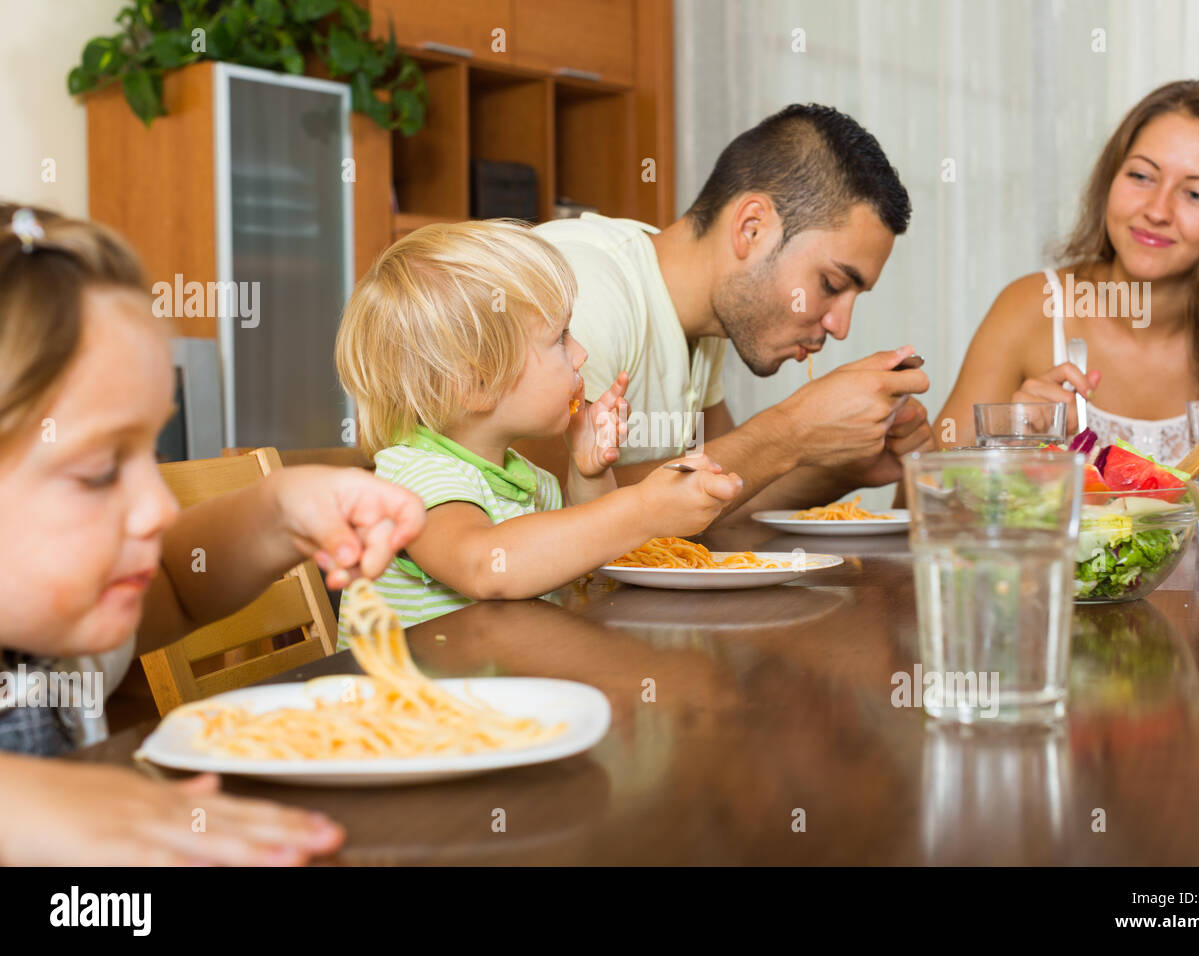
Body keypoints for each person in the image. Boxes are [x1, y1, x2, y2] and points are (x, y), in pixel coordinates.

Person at [0, 205, 427, 864]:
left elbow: (177, 583)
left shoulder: (51, 640)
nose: (158, 506)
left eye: (152, 453)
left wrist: (278, 510)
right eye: (99, 470)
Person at [512, 103, 933, 517]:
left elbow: (718, 501)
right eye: (832, 284)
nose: (839, 326)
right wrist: (790, 429)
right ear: (752, 228)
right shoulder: (584, 285)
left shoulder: (705, 318)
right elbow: (542, 508)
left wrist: (844, 469)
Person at [334, 220, 742, 634]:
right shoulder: (415, 480)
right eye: (561, 337)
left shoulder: (525, 479)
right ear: (478, 384)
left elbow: (581, 558)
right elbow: (485, 565)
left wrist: (590, 473)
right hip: (407, 694)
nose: (581, 354)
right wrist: (643, 510)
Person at [937, 79, 1199, 459]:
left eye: (1196, 194)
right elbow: (919, 498)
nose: (1157, 211)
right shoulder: (1031, 306)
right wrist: (1012, 445)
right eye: (1141, 176)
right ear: (1110, 177)